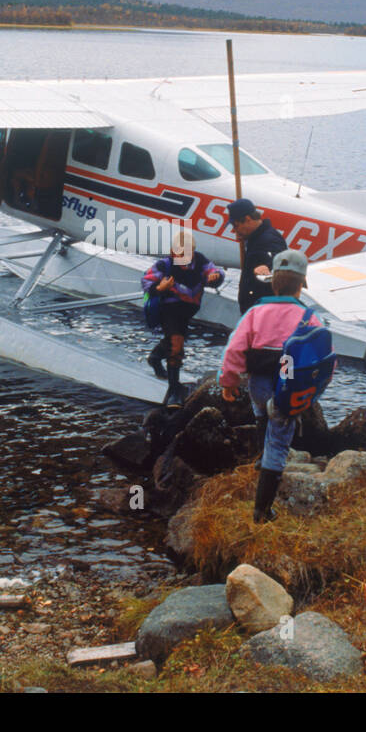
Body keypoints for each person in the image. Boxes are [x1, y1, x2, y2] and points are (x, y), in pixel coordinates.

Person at [218, 250, 321, 523]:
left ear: (273, 283)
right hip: (287, 388)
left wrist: (229, 382)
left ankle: (259, 455)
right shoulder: (309, 318)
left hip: (258, 385)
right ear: (302, 285)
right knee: (279, 443)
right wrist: (312, 392)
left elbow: (234, 351)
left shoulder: (255, 312)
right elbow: (325, 360)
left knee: (261, 411)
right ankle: (262, 510)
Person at [141, 227, 224, 408]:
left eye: (189, 253)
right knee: (177, 344)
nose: (185, 258)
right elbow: (147, 280)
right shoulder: (165, 265)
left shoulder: (200, 261)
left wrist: (216, 277)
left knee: (174, 339)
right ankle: (174, 390)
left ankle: (155, 358)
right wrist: (159, 288)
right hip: (168, 309)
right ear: (173, 252)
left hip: (187, 309)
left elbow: (214, 271)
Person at [227, 198, 287, 313]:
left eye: (236, 226)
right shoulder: (256, 238)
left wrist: (267, 266)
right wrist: (245, 238)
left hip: (261, 313)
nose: (234, 231)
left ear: (248, 219)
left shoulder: (269, 241)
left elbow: (275, 262)